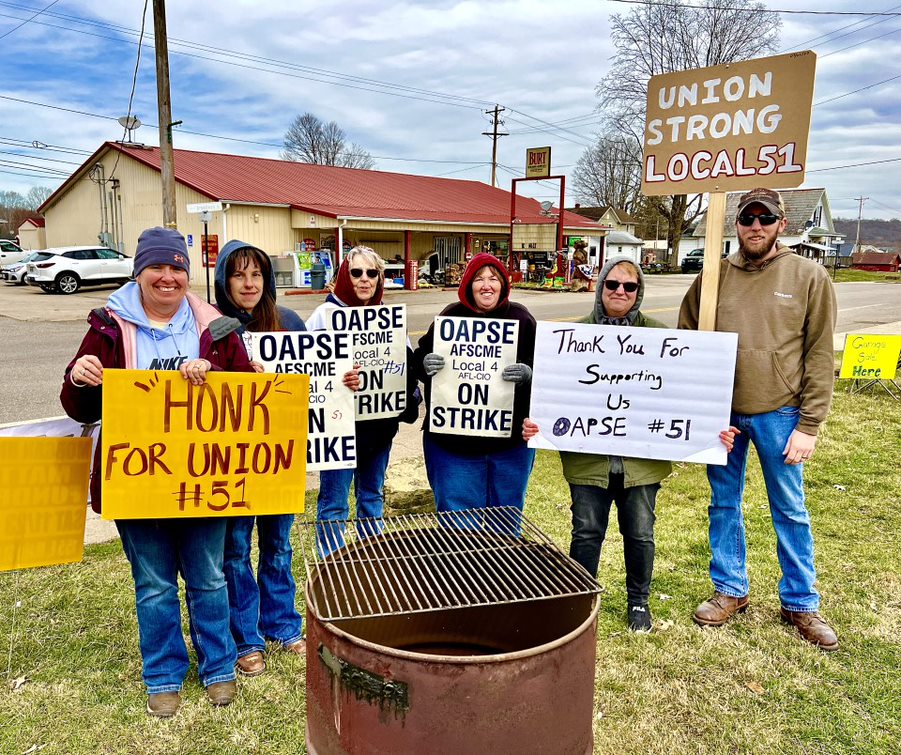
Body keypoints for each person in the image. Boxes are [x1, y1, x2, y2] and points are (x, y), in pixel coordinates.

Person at [60, 228, 252, 718]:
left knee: (209, 577)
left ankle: (219, 667)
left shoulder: (217, 328)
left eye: (177, 268)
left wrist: (215, 374)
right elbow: (79, 406)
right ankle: (164, 673)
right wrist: (80, 376)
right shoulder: (107, 326)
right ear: (139, 272)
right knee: (154, 583)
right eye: (157, 268)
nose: (168, 277)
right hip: (137, 480)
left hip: (204, 479)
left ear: (188, 274)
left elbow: (248, 396)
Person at [522, 257, 736, 632]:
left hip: (642, 463)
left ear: (639, 293)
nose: (620, 291)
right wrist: (535, 422)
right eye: (612, 284)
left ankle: (638, 602)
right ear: (600, 287)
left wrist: (712, 430)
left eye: (630, 286)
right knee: (586, 530)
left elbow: (686, 396)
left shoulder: (660, 337)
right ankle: (581, 600)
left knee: (640, 532)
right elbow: (550, 394)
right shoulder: (570, 339)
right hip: (587, 461)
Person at [678, 187, 839, 651]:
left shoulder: (809, 276)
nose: (755, 226)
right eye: (747, 218)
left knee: (789, 508)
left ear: (780, 225)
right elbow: (686, 339)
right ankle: (731, 589)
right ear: (736, 224)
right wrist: (693, 407)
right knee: (723, 503)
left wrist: (809, 426)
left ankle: (800, 602)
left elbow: (820, 352)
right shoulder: (713, 277)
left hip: (780, 412)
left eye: (764, 219)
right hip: (721, 413)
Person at [213, 240, 308, 677]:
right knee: (234, 550)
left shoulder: (288, 322)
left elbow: (318, 381)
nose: (249, 284)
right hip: (230, 461)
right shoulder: (211, 327)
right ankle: (245, 636)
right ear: (223, 280)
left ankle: (283, 625)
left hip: (280, 458)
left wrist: (345, 379)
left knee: (278, 546)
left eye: (257, 275)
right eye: (238, 274)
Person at [306, 246, 416, 554]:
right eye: (356, 272)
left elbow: (404, 370)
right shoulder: (323, 316)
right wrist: (338, 378)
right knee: (334, 505)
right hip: (337, 432)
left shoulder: (391, 319)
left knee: (371, 498)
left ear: (380, 278)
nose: (364, 279)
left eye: (372, 273)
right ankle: (331, 572)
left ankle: (371, 566)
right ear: (344, 276)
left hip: (378, 431)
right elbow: (305, 370)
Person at [414, 253, 536, 522]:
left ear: (503, 284)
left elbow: (547, 375)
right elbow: (419, 359)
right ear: (468, 284)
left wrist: (529, 374)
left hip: (509, 446)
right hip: (452, 445)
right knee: (457, 531)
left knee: (505, 525)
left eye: (493, 278)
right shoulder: (450, 317)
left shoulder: (522, 319)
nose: (486, 285)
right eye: (479, 279)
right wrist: (425, 363)